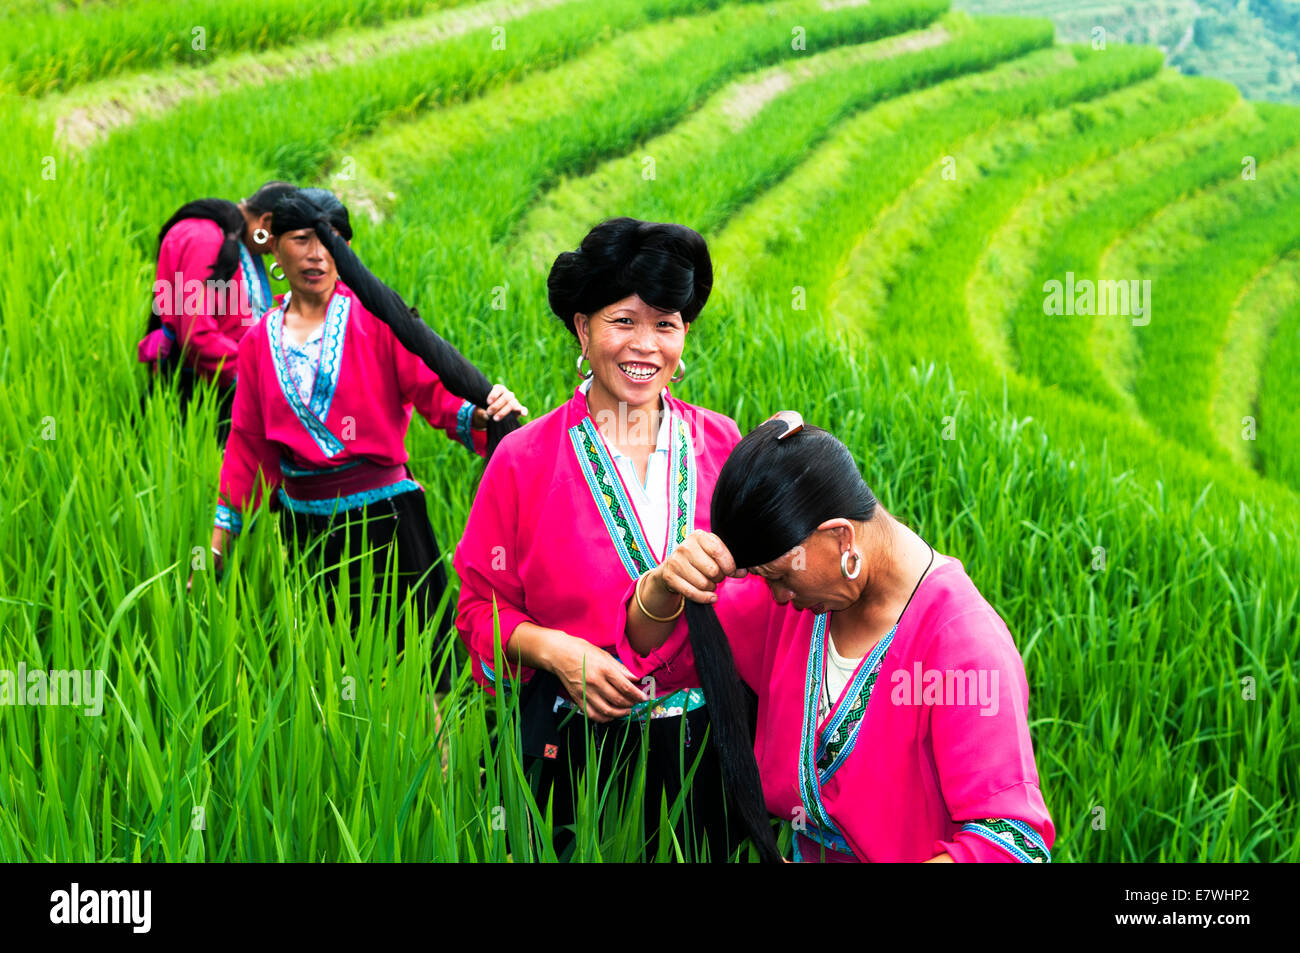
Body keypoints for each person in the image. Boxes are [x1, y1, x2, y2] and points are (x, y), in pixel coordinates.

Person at [453, 217, 761, 860]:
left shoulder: (722, 444)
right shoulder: (525, 460)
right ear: (582, 328)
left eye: (666, 324)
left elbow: (764, 593)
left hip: (705, 746)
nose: (645, 345)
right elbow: (479, 608)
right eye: (623, 321)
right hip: (577, 752)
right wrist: (557, 651)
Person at [621, 413, 1056, 863]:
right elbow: (653, 650)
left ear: (840, 538)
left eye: (781, 576)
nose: (777, 594)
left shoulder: (963, 645)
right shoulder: (796, 604)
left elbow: (1012, 842)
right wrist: (664, 584)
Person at [208, 188, 526, 688]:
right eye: (302, 239)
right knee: (335, 668)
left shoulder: (377, 320)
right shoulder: (256, 343)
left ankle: (434, 763)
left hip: (387, 521)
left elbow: (433, 392)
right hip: (307, 529)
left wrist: (484, 417)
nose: (317, 254)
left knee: (419, 669)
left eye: (331, 242)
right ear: (274, 246)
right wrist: (218, 546)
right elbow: (248, 448)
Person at [138, 181, 297, 439]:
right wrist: (255, 376)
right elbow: (196, 333)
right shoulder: (206, 239)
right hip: (198, 388)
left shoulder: (229, 236)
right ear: (265, 223)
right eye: (278, 243)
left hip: (212, 380)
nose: (276, 256)